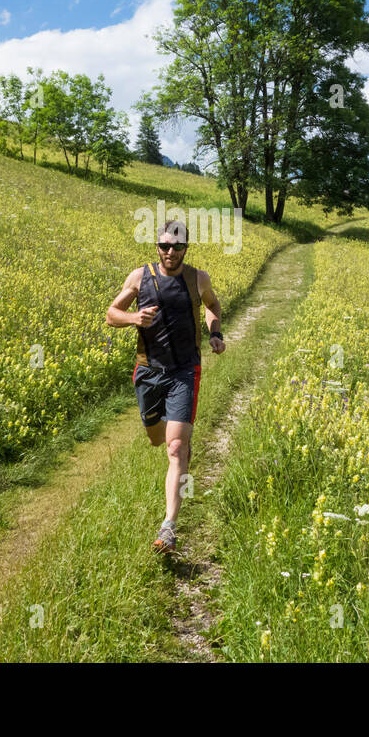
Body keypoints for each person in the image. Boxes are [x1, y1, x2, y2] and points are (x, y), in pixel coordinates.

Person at [105, 220, 225, 553]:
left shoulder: (197, 278)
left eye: (177, 247)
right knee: (156, 438)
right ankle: (173, 435)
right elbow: (111, 313)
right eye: (164, 246)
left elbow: (213, 306)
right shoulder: (139, 277)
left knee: (175, 448)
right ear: (156, 247)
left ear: (187, 248)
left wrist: (216, 334)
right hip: (148, 371)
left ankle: (169, 526)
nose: (170, 252)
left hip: (185, 370)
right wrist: (134, 318)